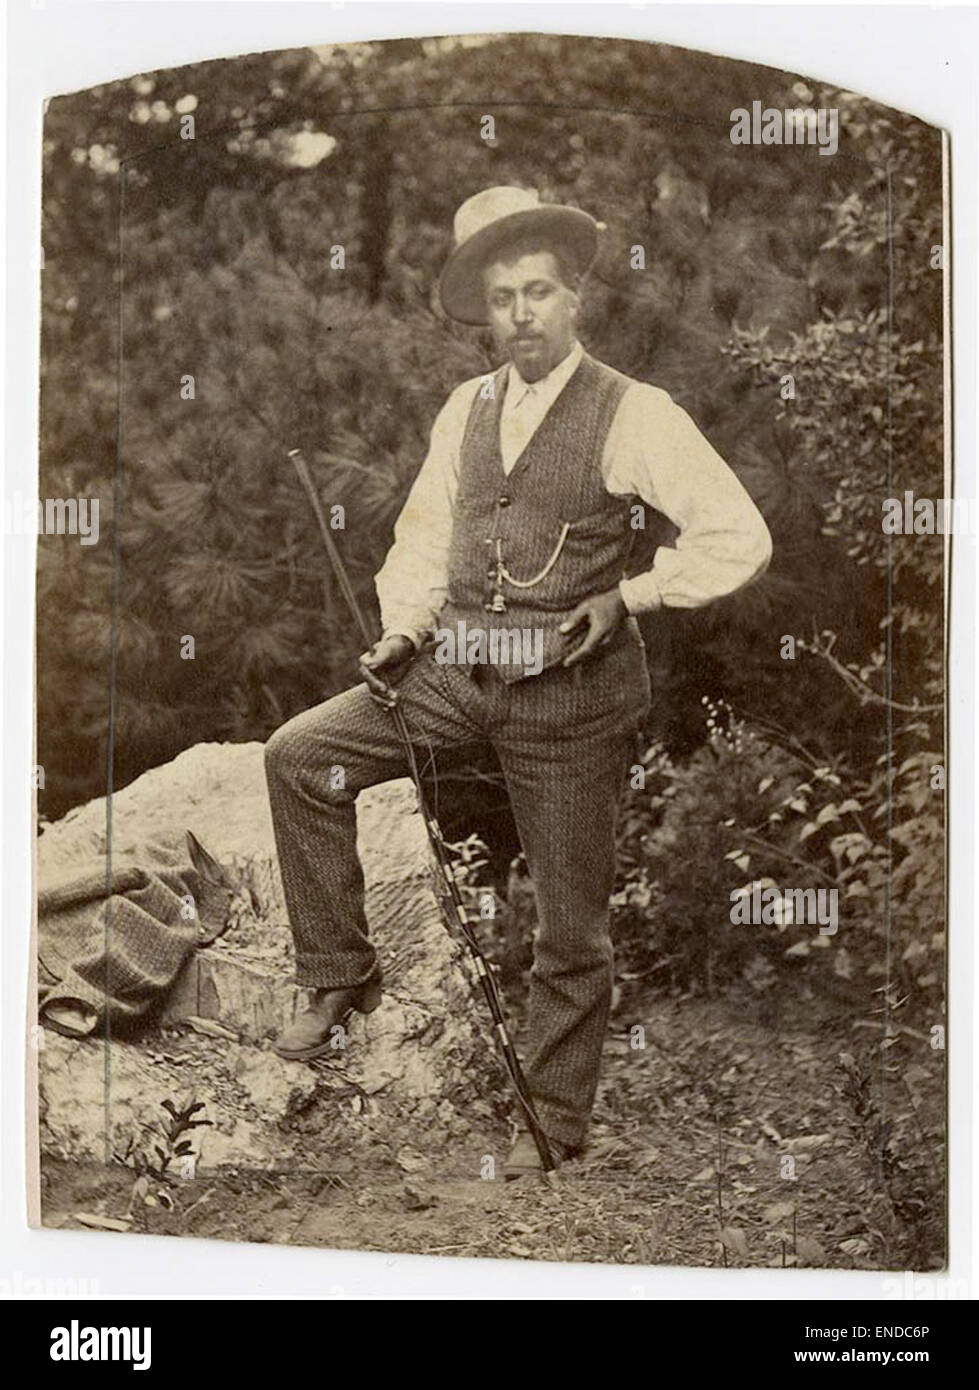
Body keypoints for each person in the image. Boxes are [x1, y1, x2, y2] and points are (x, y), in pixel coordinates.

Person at [264, 185, 772, 1176]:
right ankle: (337, 973)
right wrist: (405, 629)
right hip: (458, 667)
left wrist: (634, 596)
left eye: (538, 291)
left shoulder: (636, 413)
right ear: (482, 313)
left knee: (568, 921)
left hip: (570, 695)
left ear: (574, 296)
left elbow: (737, 536)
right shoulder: (466, 409)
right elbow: (418, 540)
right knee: (300, 756)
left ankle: (553, 1112)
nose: (523, 314)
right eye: (502, 299)